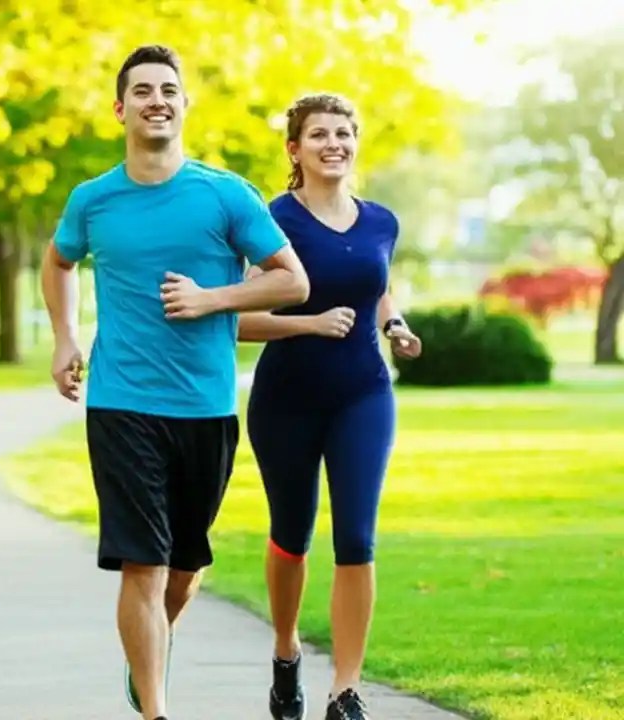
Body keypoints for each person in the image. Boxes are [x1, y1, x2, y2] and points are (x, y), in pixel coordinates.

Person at [40, 45, 311, 720]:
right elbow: (58, 262)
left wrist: (212, 299)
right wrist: (66, 338)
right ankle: (156, 709)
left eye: (168, 89)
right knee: (144, 563)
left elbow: (293, 280)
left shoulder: (225, 194)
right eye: (141, 90)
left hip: (206, 405)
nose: (156, 99)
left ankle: (150, 653)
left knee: (184, 569)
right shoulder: (93, 200)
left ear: (185, 104)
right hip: (122, 402)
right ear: (120, 108)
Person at [237, 93, 422, 720]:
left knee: (356, 540)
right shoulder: (271, 219)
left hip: (363, 394)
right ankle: (286, 653)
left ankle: (346, 690)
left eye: (344, 132)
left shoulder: (382, 221)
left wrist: (394, 323)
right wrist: (308, 324)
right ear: (295, 149)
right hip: (286, 399)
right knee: (291, 535)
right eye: (319, 134)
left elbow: (375, 286)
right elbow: (235, 319)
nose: (334, 143)